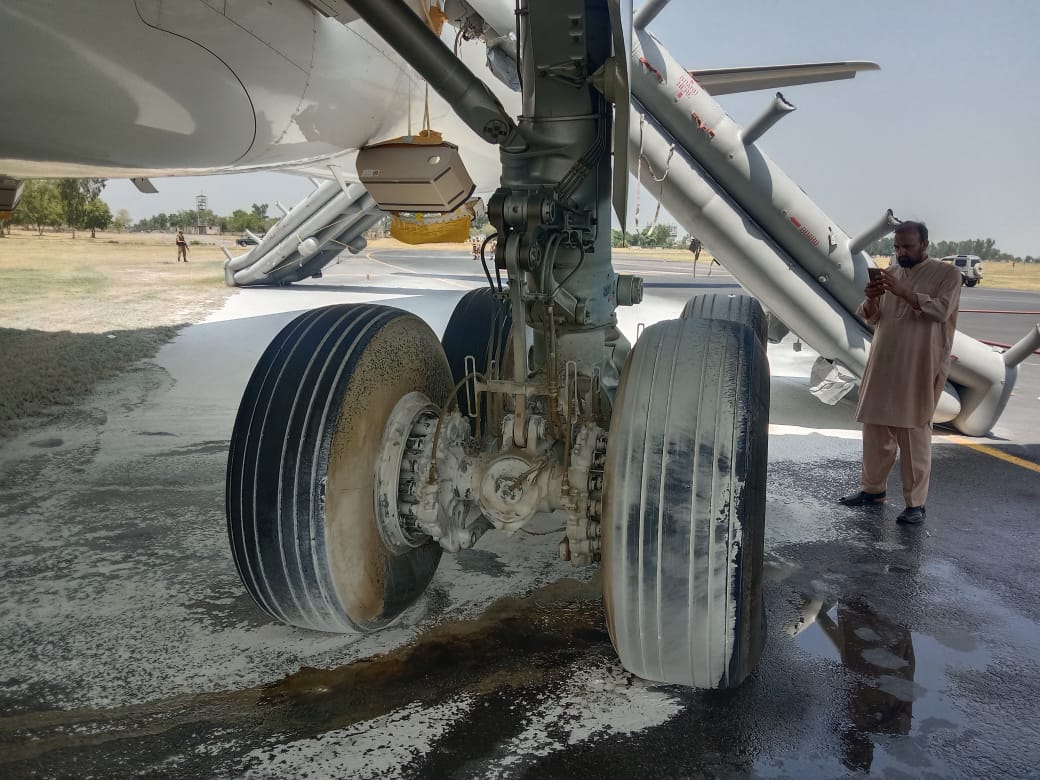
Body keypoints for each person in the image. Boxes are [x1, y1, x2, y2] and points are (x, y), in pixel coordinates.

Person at [838, 221, 962, 524]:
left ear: (925, 245)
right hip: (884, 361)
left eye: (906, 246)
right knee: (876, 428)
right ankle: (872, 491)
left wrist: (906, 292)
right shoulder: (891, 273)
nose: (900, 252)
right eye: (896, 247)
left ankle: (915, 504)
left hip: (920, 364)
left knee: (913, 432)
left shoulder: (948, 275)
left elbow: (940, 312)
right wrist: (871, 296)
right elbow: (873, 317)